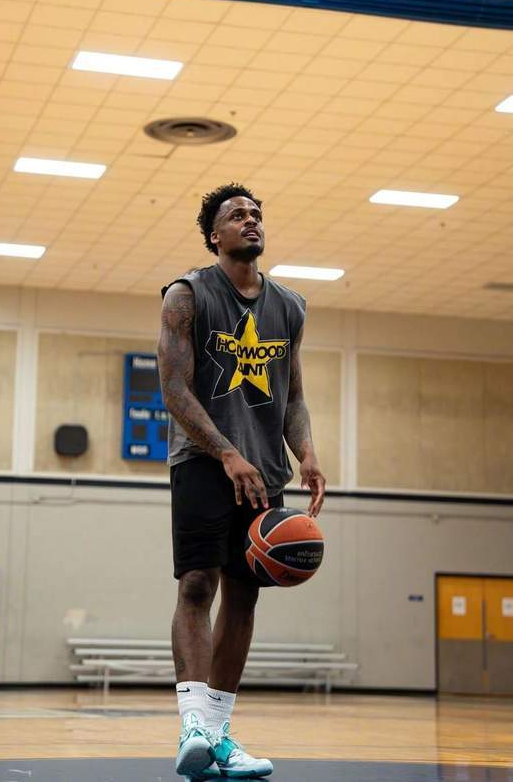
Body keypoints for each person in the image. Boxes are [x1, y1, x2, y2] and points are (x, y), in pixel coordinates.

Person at [157, 183, 326, 780]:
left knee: (245, 594)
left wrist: (306, 453)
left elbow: (293, 395)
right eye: (236, 215)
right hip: (204, 462)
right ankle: (193, 726)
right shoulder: (187, 295)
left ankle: (218, 736)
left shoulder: (290, 306)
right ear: (215, 235)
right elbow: (174, 389)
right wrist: (228, 453)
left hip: (265, 472)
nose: (251, 220)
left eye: (256, 213)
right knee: (197, 585)